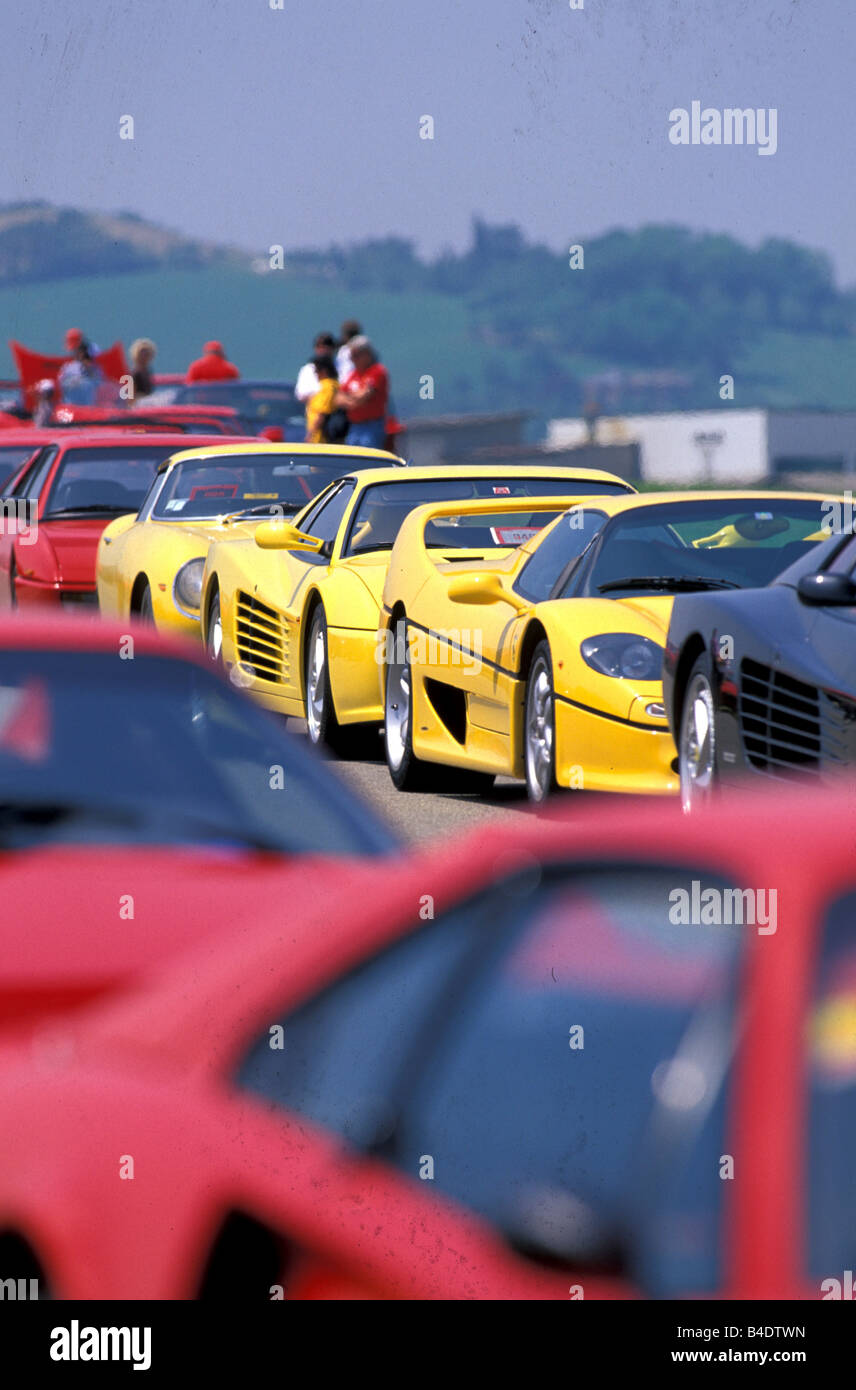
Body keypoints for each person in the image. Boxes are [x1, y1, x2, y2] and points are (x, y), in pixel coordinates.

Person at [336, 336, 389, 449]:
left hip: (372, 425)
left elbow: (365, 395)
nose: (352, 359)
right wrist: (354, 400)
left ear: (367, 354)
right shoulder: (353, 375)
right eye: (351, 356)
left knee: (369, 458)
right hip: (354, 426)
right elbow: (338, 398)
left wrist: (350, 397)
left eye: (356, 355)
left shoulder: (377, 371)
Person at [57, 337, 106, 405]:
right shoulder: (69, 368)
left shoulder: (97, 370)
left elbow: (102, 387)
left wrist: (90, 372)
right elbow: (61, 384)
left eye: (89, 357)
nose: (87, 360)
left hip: (89, 408)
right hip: (72, 408)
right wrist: (75, 382)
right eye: (85, 356)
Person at [304, 356, 341, 443]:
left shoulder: (328, 387)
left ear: (324, 371)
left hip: (321, 437)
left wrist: (310, 434)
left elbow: (322, 413)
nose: (316, 374)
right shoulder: (326, 386)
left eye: (317, 371)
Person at [295, 332, 337, 404]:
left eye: (327, 346)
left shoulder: (341, 367)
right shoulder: (308, 369)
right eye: (319, 346)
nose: (323, 350)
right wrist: (326, 394)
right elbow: (301, 394)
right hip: (315, 410)